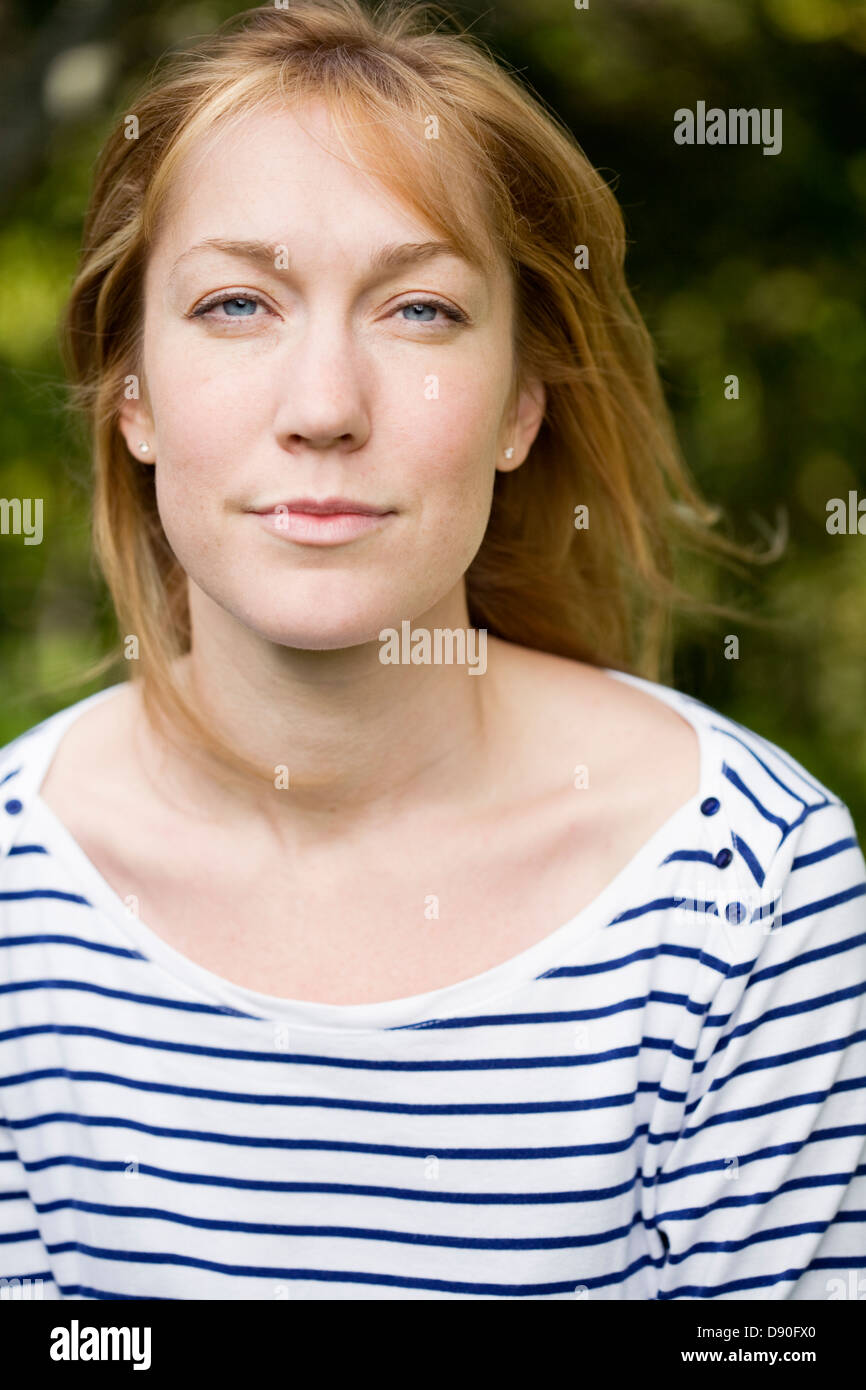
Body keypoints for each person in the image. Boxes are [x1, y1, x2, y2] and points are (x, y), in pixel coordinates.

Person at [1, 0, 863, 1301]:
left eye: (417, 311)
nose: (324, 408)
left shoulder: (748, 881)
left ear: (521, 403)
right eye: (238, 303)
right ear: (133, 395)